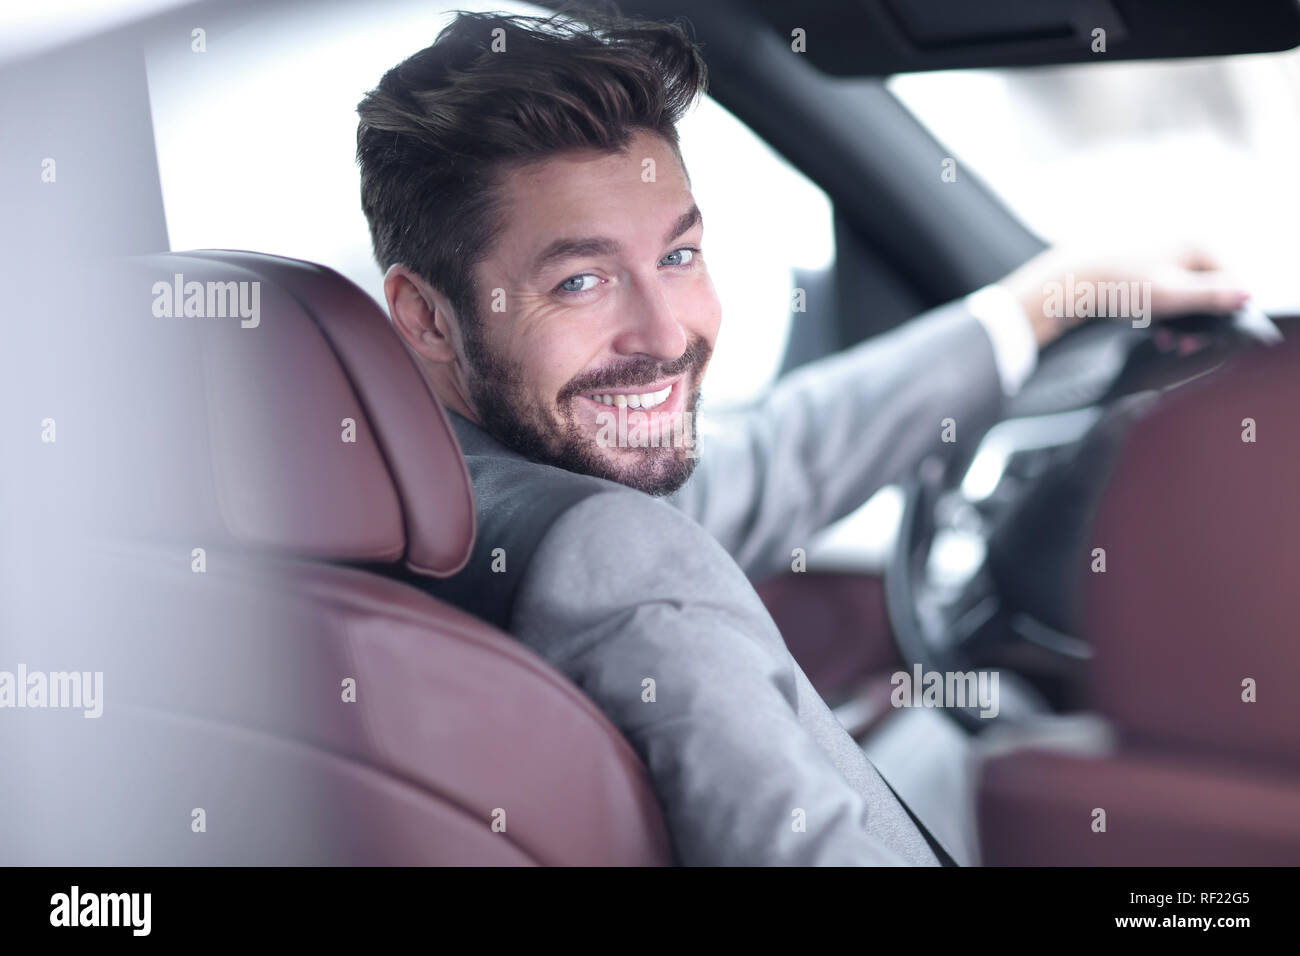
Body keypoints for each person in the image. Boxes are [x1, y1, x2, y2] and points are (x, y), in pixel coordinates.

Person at [356, 11, 1249, 865]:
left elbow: (777, 459)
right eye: (582, 281)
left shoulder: (420, 506)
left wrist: (1037, 303)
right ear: (425, 316)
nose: (667, 337)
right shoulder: (611, 550)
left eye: (677, 257)